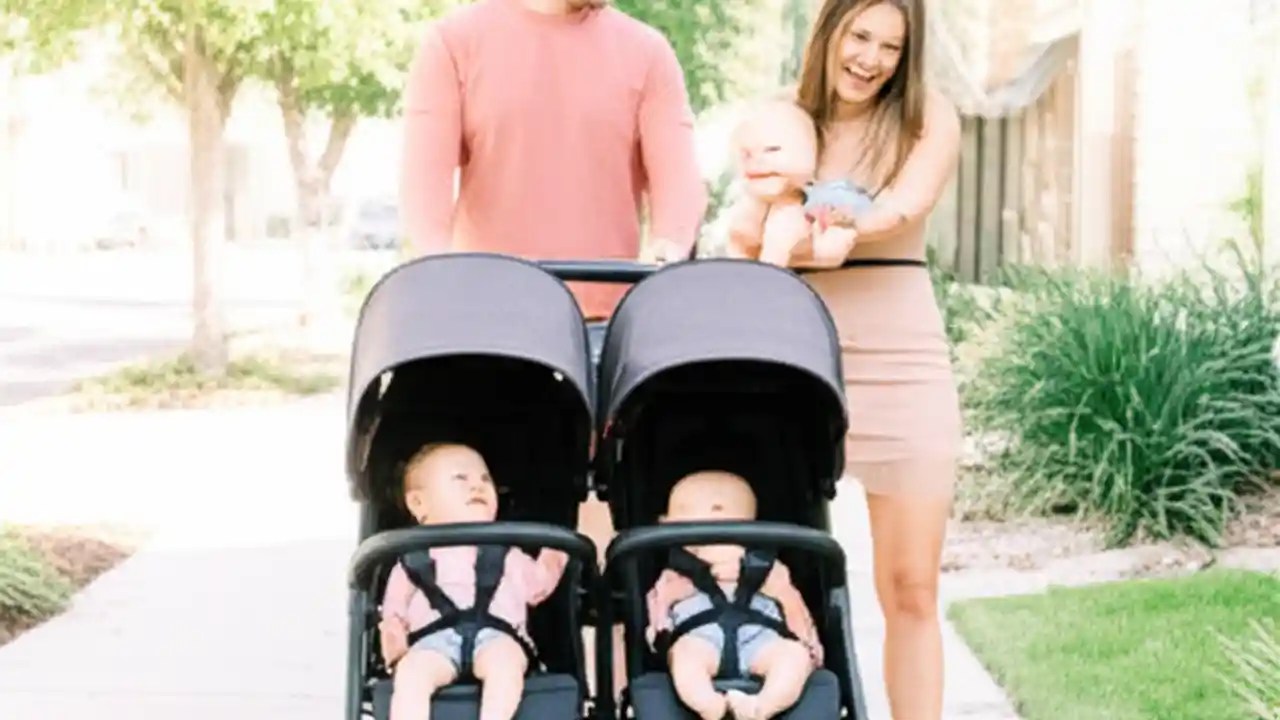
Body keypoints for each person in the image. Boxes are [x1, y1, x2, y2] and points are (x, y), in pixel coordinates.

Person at [398, 0, 708, 698]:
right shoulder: (455, 42)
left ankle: (629, 692)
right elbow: (424, 188)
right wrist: (440, 272)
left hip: (608, 323)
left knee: (612, 543)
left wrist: (668, 249)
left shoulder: (645, 50)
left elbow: (678, 185)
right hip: (494, 328)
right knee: (515, 517)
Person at [729, 1, 963, 718]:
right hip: (798, 354)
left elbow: (898, 209)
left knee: (911, 585)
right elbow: (742, 229)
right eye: (860, 36)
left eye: (891, 46)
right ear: (828, 32)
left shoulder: (929, 118)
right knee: (774, 582)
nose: (871, 58)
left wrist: (813, 230)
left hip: (903, 353)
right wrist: (779, 236)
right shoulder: (783, 118)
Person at [379, 442, 569, 720]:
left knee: (506, 666)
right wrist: (394, 650)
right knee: (411, 675)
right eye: (460, 478)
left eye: (485, 479)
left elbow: (537, 586)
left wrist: (557, 548)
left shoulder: (506, 552)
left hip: (498, 635)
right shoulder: (413, 558)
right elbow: (393, 611)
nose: (477, 486)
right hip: (431, 641)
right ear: (419, 503)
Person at [645, 470, 821, 720]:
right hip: (701, 639)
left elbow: (794, 608)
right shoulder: (675, 575)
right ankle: (708, 704)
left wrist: (806, 642)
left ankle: (762, 707)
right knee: (684, 657)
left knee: (793, 657)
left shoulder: (770, 569)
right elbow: (657, 610)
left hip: (763, 639)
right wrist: (661, 632)